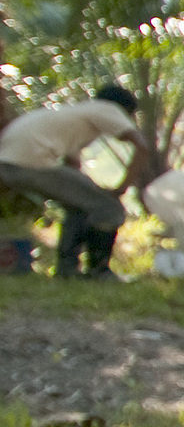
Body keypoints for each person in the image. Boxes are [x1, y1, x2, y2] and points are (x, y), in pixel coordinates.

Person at [0, 81, 148, 280]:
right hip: (31, 162)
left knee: (79, 204)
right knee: (109, 207)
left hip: (9, 163)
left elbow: (72, 165)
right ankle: (99, 271)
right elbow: (142, 146)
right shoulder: (108, 109)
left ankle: (67, 271)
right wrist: (120, 189)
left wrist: (87, 191)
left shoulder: (76, 114)